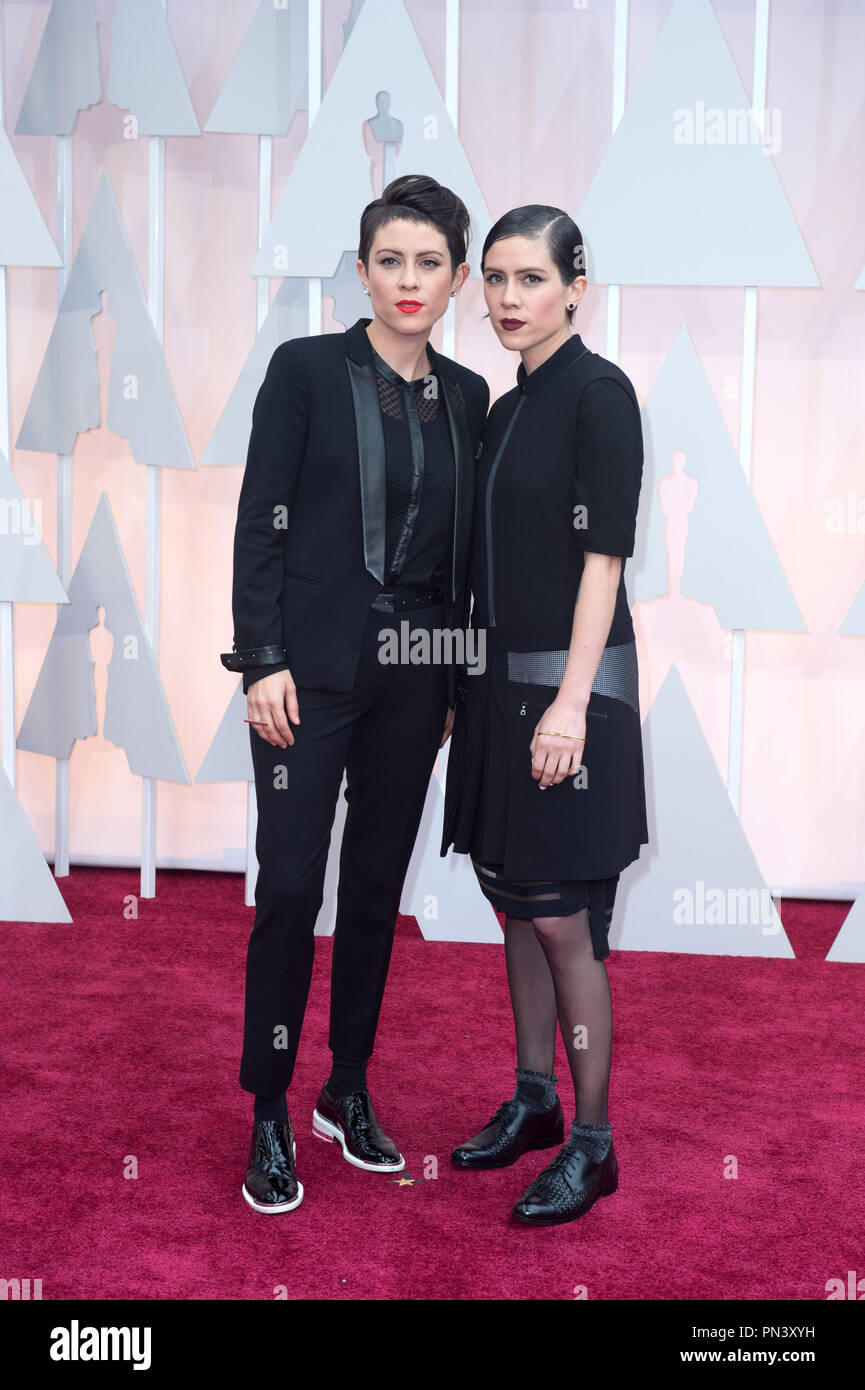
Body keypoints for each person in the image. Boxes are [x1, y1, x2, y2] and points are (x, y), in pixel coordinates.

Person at [221, 175, 489, 1213]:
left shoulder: (465, 397)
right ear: (364, 268)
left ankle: (346, 1087)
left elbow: (465, 558)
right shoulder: (303, 371)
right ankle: (270, 1108)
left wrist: (458, 678)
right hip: (306, 677)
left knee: (376, 887)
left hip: (416, 681)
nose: (409, 281)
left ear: (456, 277)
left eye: (429, 263)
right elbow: (260, 523)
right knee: (290, 884)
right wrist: (262, 659)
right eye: (391, 260)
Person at [441, 205, 648, 1226]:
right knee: (513, 897)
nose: (508, 301)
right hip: (495, 690)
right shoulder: (504, 404)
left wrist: (567, 705)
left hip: (570, 695)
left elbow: (601, 562)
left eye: (530, 279)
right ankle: (533, 1098)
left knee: (564, 920)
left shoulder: (598, 396)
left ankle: (595, 1142)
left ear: (577, 284)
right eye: (495, 280)